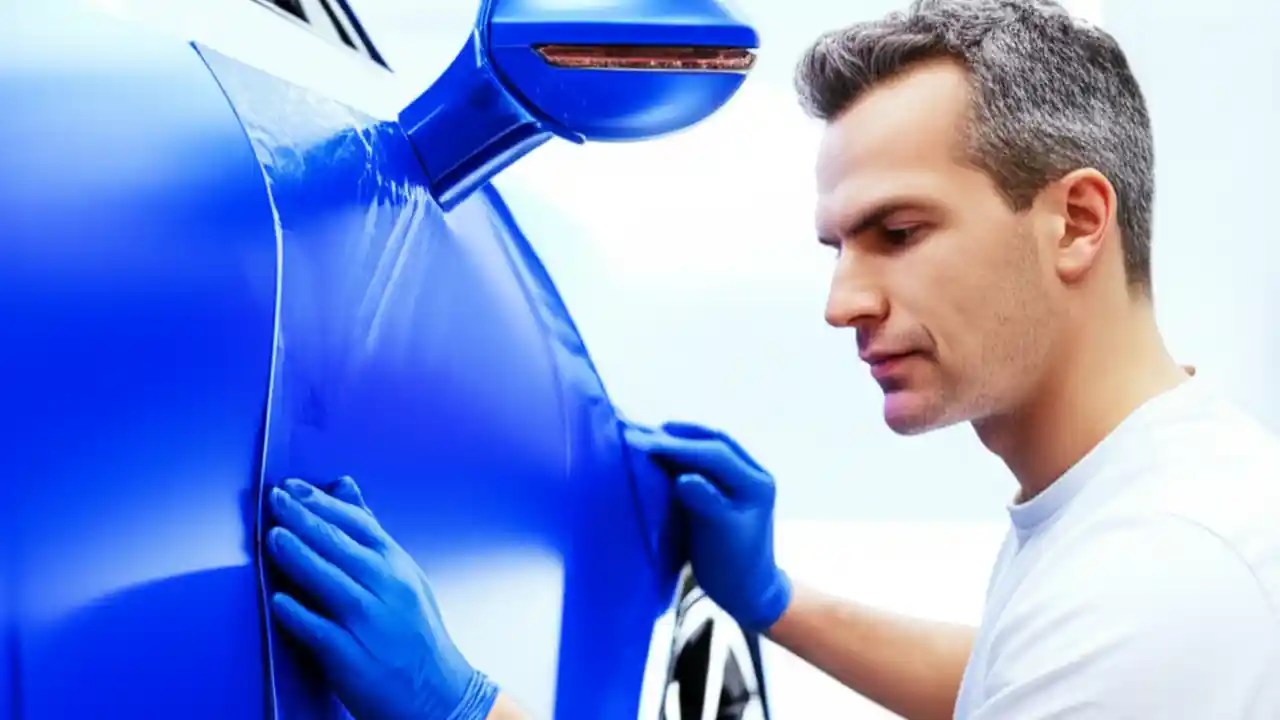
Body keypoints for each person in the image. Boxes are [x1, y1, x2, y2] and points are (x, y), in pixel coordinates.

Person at [263, 0, 1280, 718]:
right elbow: (1005, 685)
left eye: (897, 232)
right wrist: (775, 600)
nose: (843, 303)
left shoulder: (1159, 580)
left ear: (1074, 221)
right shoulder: (1150, 496)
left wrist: (459, 708)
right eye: (839, 248)